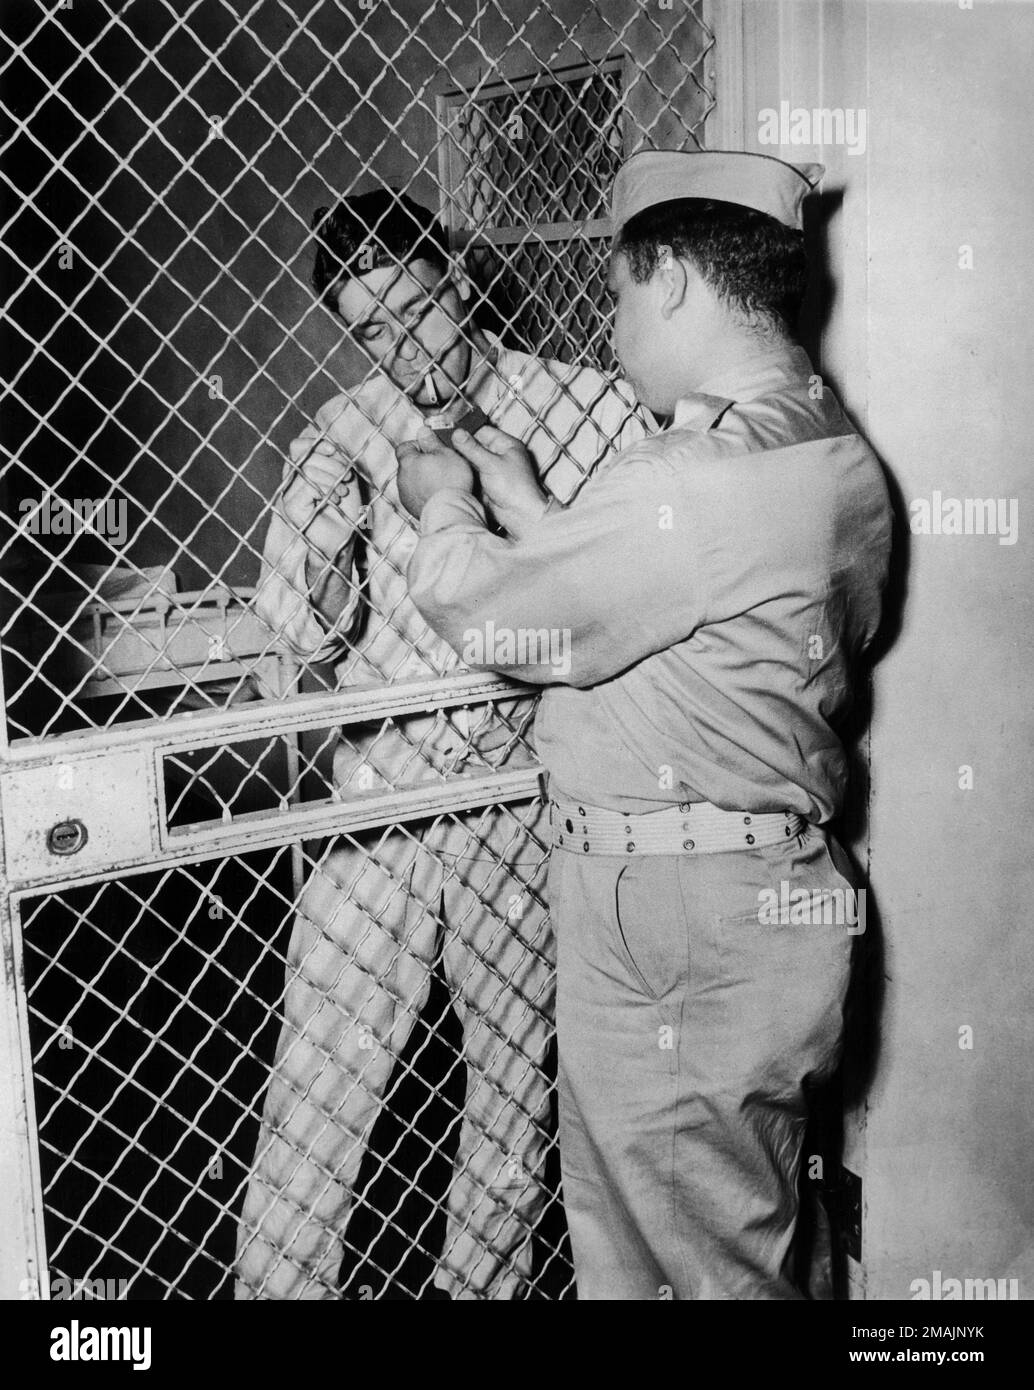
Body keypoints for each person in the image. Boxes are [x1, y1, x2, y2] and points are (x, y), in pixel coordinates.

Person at [397, 150, 893, 1299]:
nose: (614, 332)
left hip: (676, 930)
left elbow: (497, 622)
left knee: (674, 1257)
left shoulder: (696, 477)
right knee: (745, 1226)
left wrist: (445, 506)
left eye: (618, 296)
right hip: (761, 899)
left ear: (668, 276)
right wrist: (537, 508)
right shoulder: (821, 443)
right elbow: (682, 618)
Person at [236, 189, 647, 1299]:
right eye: (370, 328)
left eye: (415, 310)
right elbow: (297, 634)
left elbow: (624, 582)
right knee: (321, 1082)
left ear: (458, 281)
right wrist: (333, 526)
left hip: (516, 791)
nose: (401, 346)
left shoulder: (585, 406)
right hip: (381, 791)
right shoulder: (341, 428)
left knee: (511, 1086)